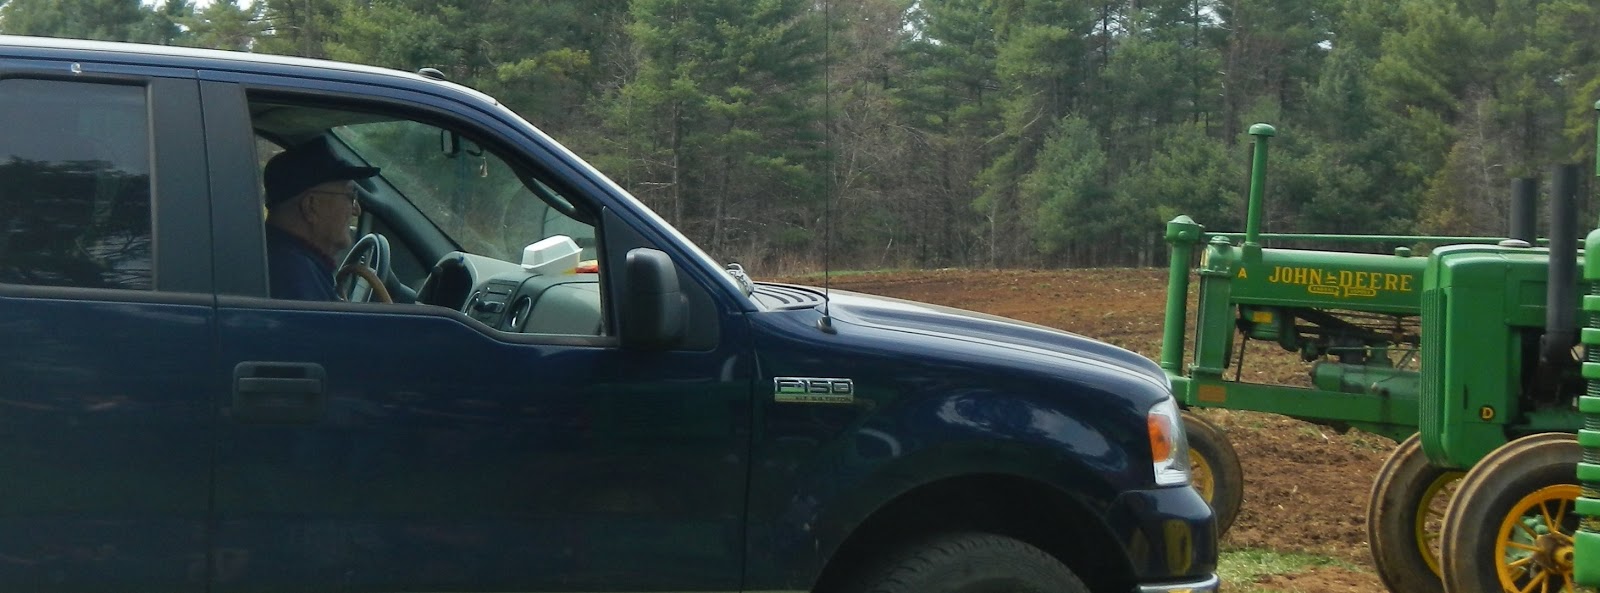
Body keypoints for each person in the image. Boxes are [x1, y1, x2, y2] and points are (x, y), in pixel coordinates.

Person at [262, 140, 379, 301]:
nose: (356, 210)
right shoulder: (295, 276)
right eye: (351, 197)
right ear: (311, 206)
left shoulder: (271, 254)